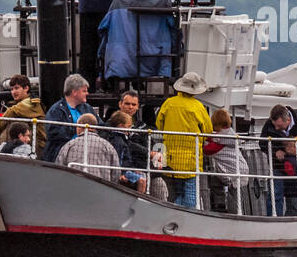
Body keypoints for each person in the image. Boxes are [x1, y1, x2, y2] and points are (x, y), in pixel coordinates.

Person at [155, 72, 213, 208]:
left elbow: (159, 124)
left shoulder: (168, 103)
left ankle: (174, 213)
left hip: (170, 158)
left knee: (175, 192)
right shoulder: (198, 106)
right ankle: (186, 217)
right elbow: (208, 130)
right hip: (192, 160)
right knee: (191, 196)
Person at [41, 74, 98, 161]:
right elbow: (52, 133)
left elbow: (101, 126)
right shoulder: (56, 110)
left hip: (89, 152)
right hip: (63, 154)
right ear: (74, 92)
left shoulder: (87, 108)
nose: (87, 93)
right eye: (84, 91)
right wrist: (77, 129)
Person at [0, 74, 46, 152]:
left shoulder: (30, 103)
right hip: (33, 142)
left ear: (26, 88)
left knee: (13, 123)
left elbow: (11, 111)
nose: (13, 92)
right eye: (12, 89)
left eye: (16, 88)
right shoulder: (25, 102)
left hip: (39, 144)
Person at [56, 113, 120, 180]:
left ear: (80, 126)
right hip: (101, 186)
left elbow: (59, 166)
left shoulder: (70, 145)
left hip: (74, 185)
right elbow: (116, 172)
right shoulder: (108, 146)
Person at [203, 108, 240, 214]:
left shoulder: (223, 139)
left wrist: (200, 140)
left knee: (234, 197)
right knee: (216, 181)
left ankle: (229, 212)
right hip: (235, 170)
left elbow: (209, 149)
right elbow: (214, 138)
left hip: (234, 172)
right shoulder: (229, 134)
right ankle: (221, 206)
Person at [101, 111, 149, 193]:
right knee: (142, 181)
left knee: (143, 174)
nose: (130, 129)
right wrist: (121, 174)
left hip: (128, 168)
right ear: (121, 126)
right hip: (123, 171)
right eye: (129, 126)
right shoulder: (118, 141)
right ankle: (139, 200)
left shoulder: (121, 139)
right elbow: (119, 158)